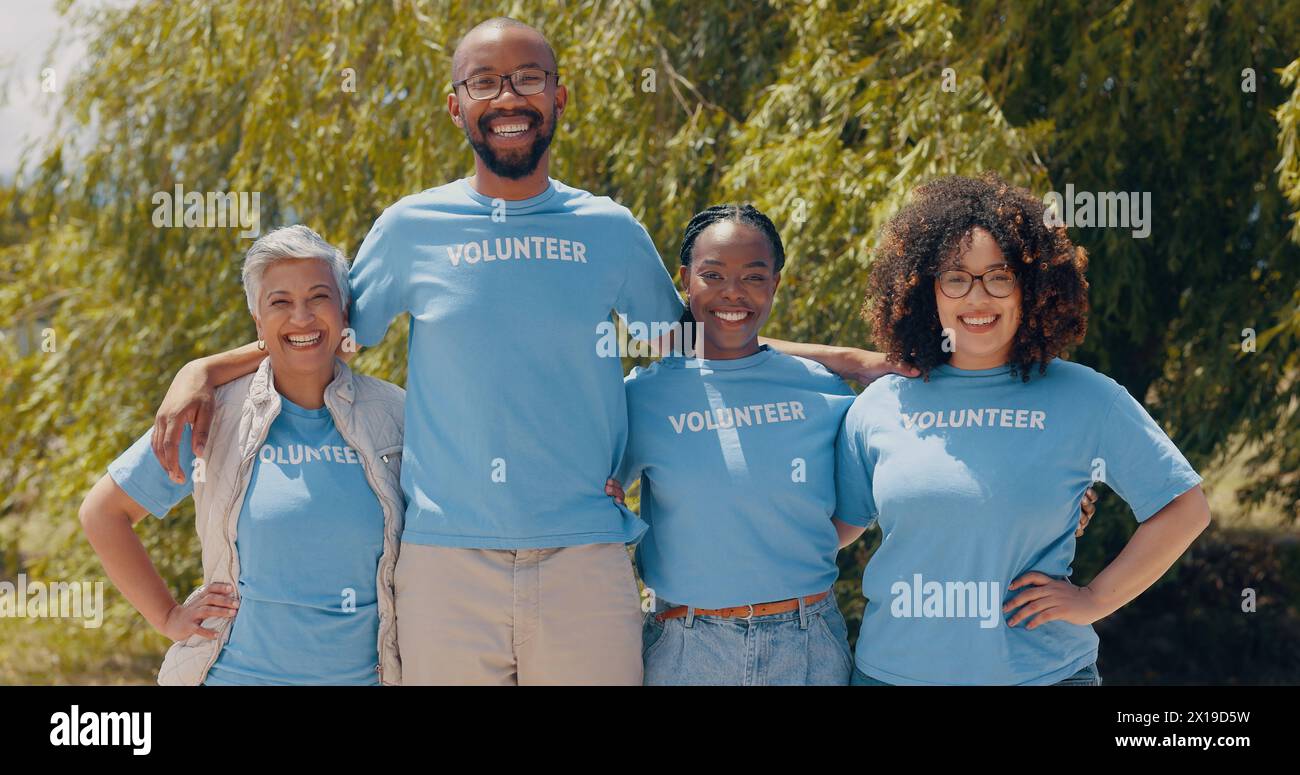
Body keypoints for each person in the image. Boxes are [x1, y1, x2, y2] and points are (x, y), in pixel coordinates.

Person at [149, 18, 910, 685]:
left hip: (586, 557)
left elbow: (710, 336)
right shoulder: (411, 228)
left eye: (527, 79)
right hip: (444, 562)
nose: (507, 97)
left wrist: (846, 361)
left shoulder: (610, 230)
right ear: (457, 106)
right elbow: (313, 338)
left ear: (558, 97)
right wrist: (203, 370)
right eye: (484, 82)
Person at [610, 204, 1097, 685]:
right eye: (712, 275)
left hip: (809, 644)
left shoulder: (826, 393)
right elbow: (594, 494)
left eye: (754, 276)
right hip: (687, 647)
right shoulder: (643, 397)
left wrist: (1049, 496)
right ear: (684, 278)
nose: (732, 293)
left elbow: (916, 473)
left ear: (776, 282)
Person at [834, 173, 1211, 685]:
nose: (977, 297)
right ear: (928, 291)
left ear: (1030, 288)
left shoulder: (1087, 398)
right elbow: (839, 527)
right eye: (956, 278)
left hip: (1043, 676)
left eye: (999, 276)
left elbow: (1184, 509)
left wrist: (1094, 600)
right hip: (892, 675)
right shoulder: (881, 404)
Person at [79, 226, 407, 685]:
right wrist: (168, 615)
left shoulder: (396, 416)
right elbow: (103, 513)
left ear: (344, 308)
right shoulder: (213, 414)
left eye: (318, 297)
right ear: (257, 321)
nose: (302, 317)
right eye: (279, 302)